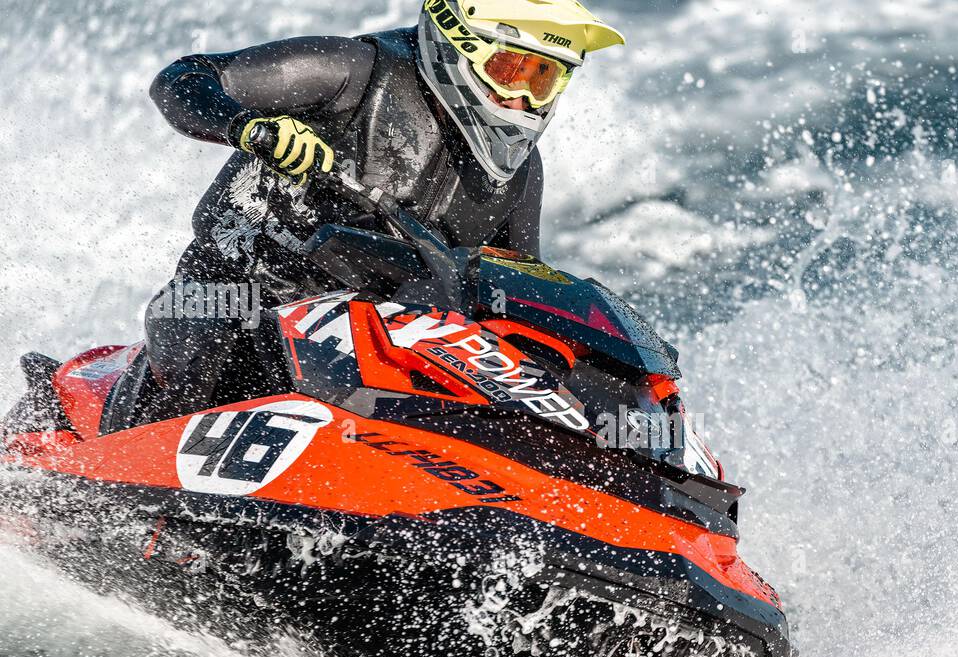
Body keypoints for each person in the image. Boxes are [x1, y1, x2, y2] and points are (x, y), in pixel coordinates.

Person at [122, 0, 624, 426]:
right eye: (511, 71)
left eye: (542, 79)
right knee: (213, 334)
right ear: (459, 46)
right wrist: (251, 129)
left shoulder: (520, 172)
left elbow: (513, 285)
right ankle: (131, 478)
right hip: (234, 295)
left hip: (378, 337)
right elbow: (183, 78)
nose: (521, 98)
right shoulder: (352, 72)